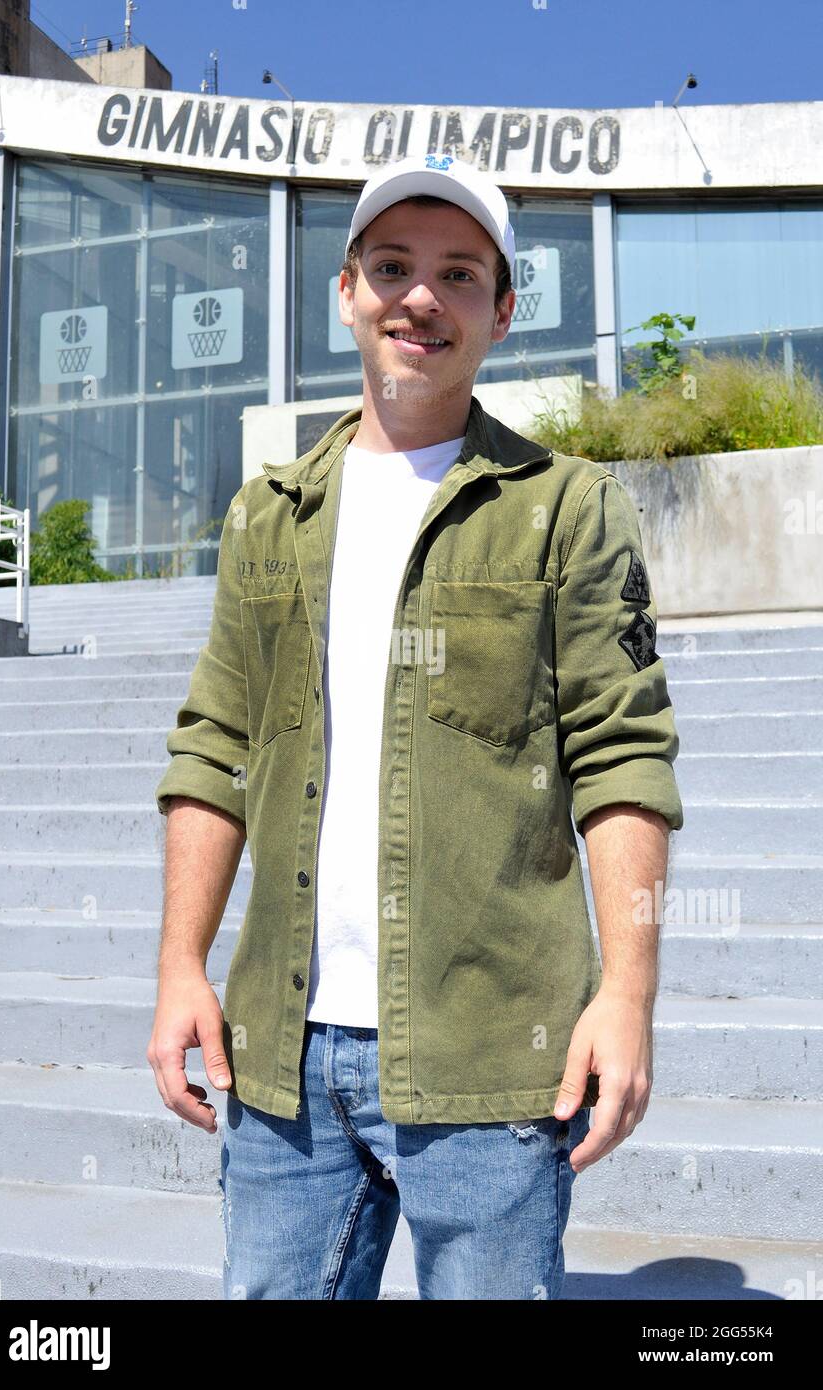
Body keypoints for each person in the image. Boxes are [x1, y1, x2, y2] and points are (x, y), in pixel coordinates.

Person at [148, 153, 684, 1300]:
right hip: (281, 1064)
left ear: (502, 309)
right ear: (347, 291)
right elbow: (214, 742)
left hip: (495, 1064)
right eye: (392, 266)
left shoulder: (569, 509)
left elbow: (623, 752)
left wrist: (627, 993)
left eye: (457, 274)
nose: (420, 298)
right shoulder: (268, 517)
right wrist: (179, 962)